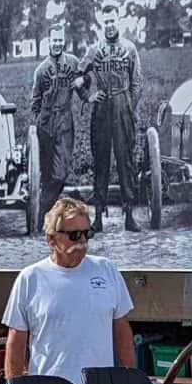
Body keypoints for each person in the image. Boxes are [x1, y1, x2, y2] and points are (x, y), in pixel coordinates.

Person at [2, 197, 135, 384]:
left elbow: (122, 333)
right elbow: (16, 344)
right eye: (74, 235)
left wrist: (129, 383)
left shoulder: (107, 270)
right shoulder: (30, 278)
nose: (82, 240)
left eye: (87, 233)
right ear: (51, 239)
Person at [84, 16, 141, 230]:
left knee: (125, 160)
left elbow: (137, 81)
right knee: (101, 161)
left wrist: (129, 106)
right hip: (102, 107)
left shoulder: (129, 48)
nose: (109, 26)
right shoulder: (94, 49)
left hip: (122, 103)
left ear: (118, 22)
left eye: (112, 21)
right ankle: (98, 216)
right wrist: (88, 96)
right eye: (106, 21)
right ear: (102, 24)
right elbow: (79, 75)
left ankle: (129, 215)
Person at [28, 30, 80, 206]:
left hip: (65, 122)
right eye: (54, 40)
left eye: (60, 40)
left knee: (61, 173)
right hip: (46, 123)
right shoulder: (41, 70)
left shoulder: (73, 62)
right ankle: (44, 213)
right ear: (49, 42)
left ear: (63, 41)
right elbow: (35, 101)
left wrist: (85, 84)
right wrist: (39, 123)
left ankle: (41, 209)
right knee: (47, 173)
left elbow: (84, 78)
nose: (57, 43)